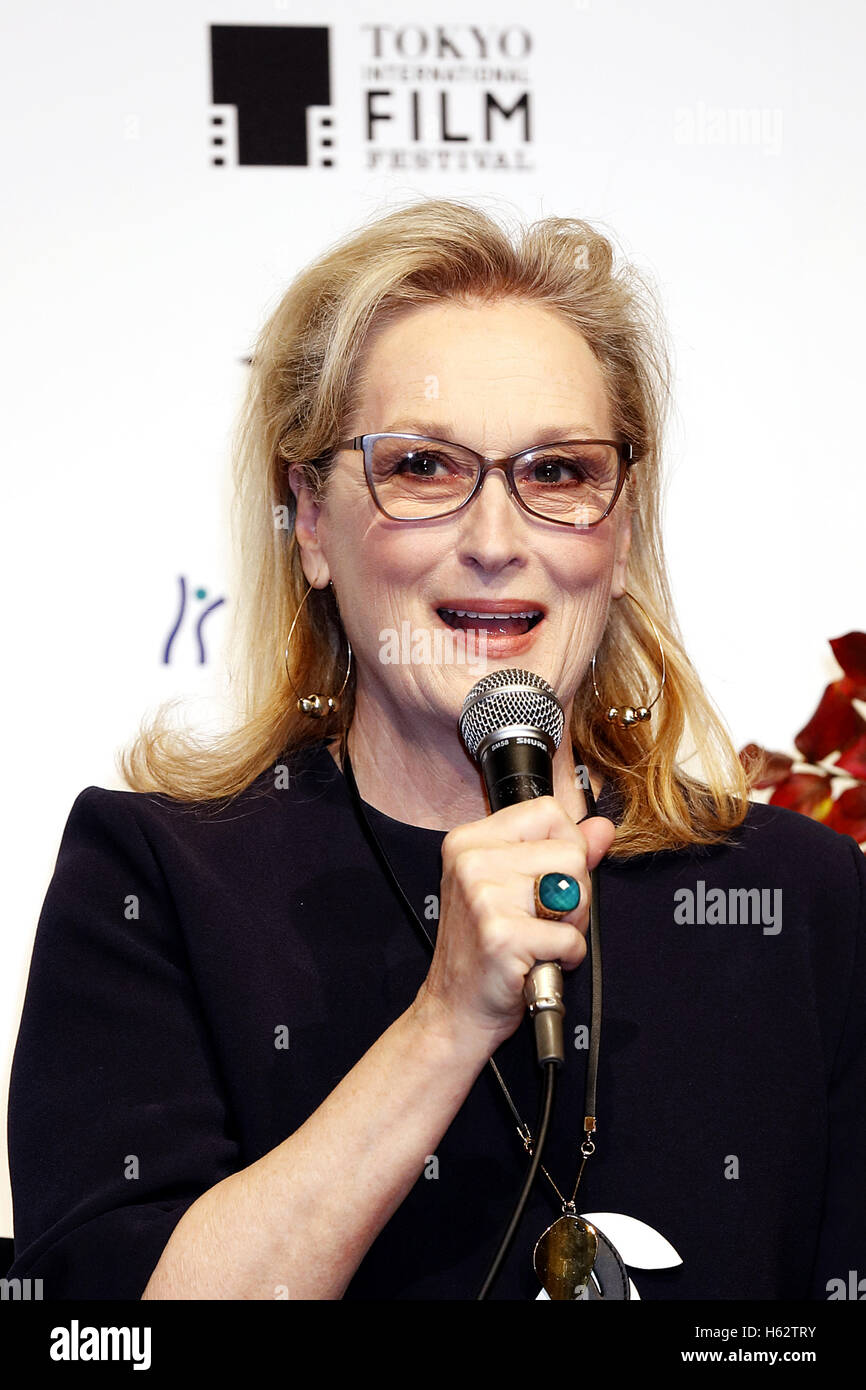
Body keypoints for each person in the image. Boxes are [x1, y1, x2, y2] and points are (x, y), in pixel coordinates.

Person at [6, 198, 865, 1301]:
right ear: (309, 520)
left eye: (556, 472)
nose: (497, 541)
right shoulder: (157, 883)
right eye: (421, 466)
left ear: (621, 521)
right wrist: (446, 1019)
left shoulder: (803, 901)